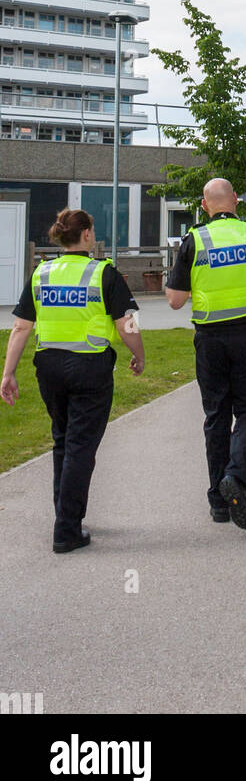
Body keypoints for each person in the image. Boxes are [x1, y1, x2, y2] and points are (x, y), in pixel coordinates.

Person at [0, 208, 145, 554]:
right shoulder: (103, 273)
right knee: (80, 446)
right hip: (90, 369)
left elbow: (21, 326)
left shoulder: (41, 273)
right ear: (87, 235)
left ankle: (66, 514)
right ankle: (66, 529)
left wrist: (8, 372)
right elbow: (127, 323)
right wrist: (139, 354)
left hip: (48, 367)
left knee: (63, 441)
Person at [165, 178, 246, 530]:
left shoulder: (194, 241)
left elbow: (175, 301)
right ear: (236, 201)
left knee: (216, 417)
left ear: (205, 205)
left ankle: (219, 504)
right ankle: (236, 479)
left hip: (210, 342)